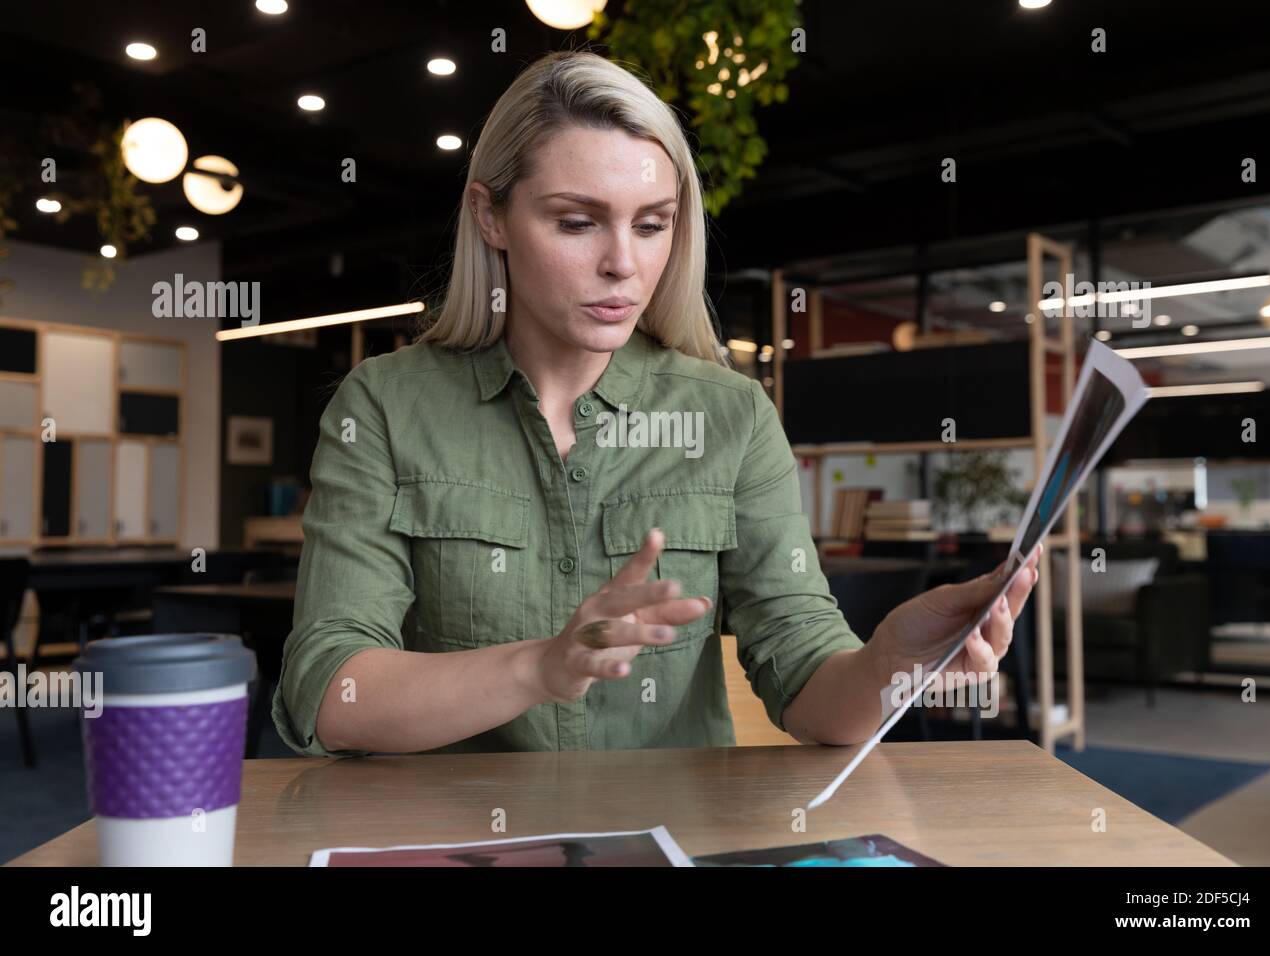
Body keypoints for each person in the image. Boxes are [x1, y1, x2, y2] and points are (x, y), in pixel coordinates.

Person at [271, 51, 1041, 758]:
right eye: (577, 222)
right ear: (490, 215)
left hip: (671, 840)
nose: (622, 264)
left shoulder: (732, 416)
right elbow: (330, 689)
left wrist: (887, 665)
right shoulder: (382, 405)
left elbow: (809, 684)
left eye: (652, 225)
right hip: (451, 841)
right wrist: (540, 667)